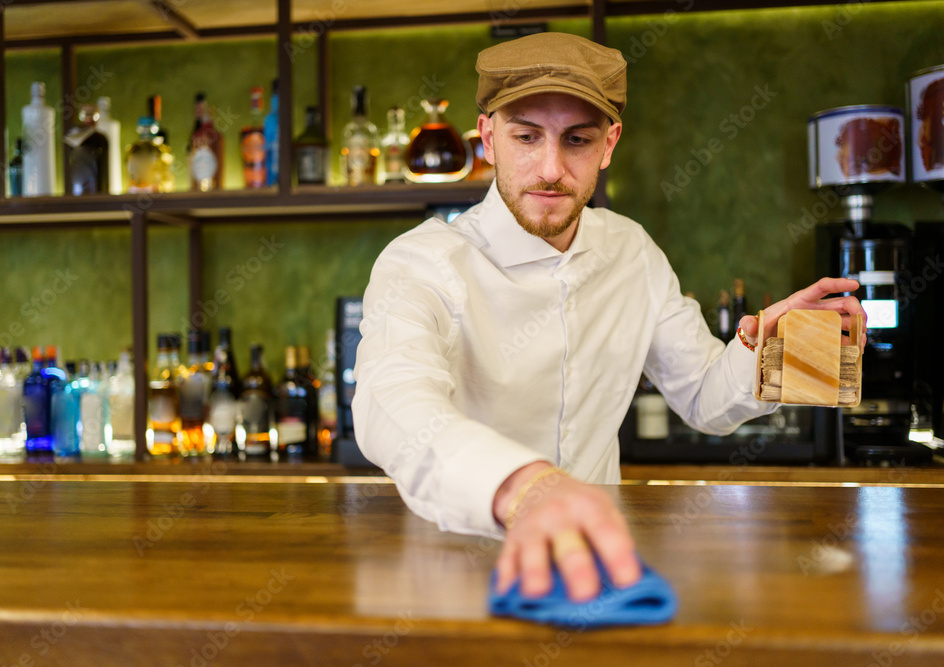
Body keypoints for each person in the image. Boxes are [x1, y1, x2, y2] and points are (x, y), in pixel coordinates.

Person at [352, 32, 865, 604]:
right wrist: (522, 487)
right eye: (526, 136)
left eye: (577, 140)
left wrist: (772, 345)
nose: (550, 168)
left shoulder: (631, 251)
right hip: (457, 570)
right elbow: (391, 402)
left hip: (600, 572)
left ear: (609, 143)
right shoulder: (421, 261)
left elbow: (702, 396)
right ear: (489, 137)